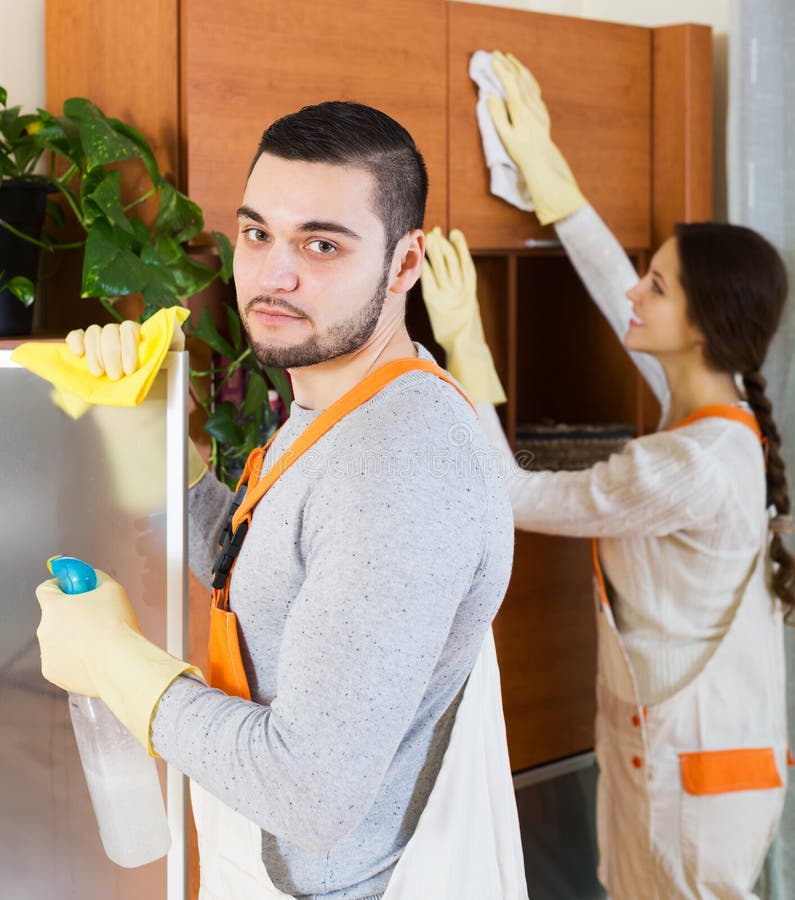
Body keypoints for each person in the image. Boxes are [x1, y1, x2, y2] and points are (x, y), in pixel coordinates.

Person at [34, 101, 528, 899]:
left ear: (406, 264)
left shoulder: (397, 459)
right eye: (258, 233)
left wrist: (113, 662)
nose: (273, 274)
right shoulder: (335, 408)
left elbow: (310, 793)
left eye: (321, 244)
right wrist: (146, 433)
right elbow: (259, 578)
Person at [421, 51, 794, 900]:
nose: (637, 295)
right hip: (703, 772)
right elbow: (617, 290)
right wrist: (560, 196)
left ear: (698, 326)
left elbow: (510, 494)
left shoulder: (682, 465)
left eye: (657, 287)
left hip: (690, 800)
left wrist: (465, 350)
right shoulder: (721, 409)